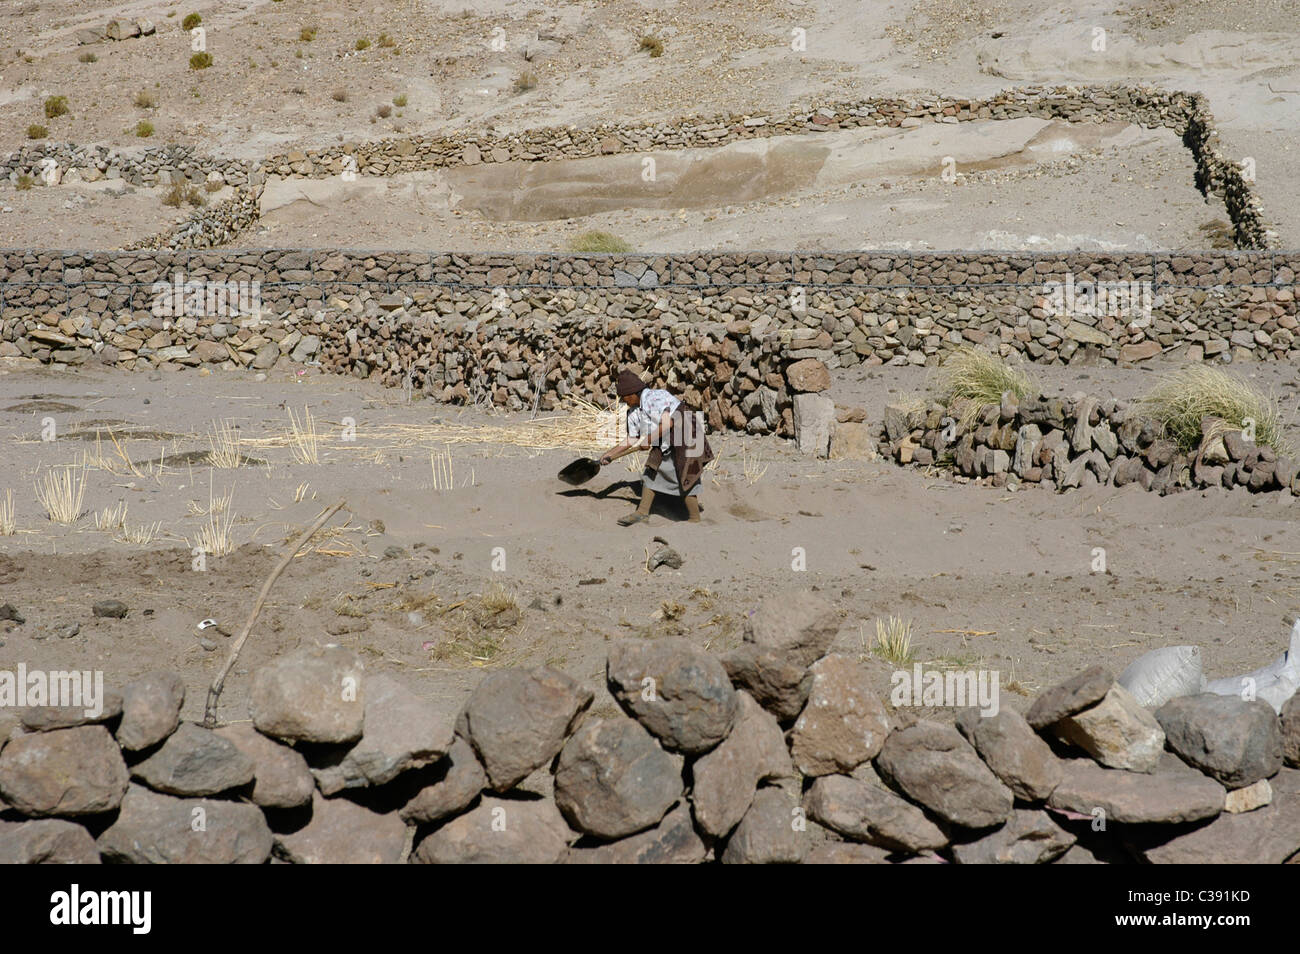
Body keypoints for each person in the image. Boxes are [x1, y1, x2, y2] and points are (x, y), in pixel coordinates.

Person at [600, 370, 713, 527]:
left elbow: (668, 423)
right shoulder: (633, 411)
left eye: (624, 397)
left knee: (686, 474)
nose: (624, 401)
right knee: (652, 468)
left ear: (632, 393)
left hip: (687, 433)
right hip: (664, 437)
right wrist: (609, 455)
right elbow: (631, 438)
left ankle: (695, 519)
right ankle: (642, 513)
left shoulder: (655, 397)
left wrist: (648, 439)